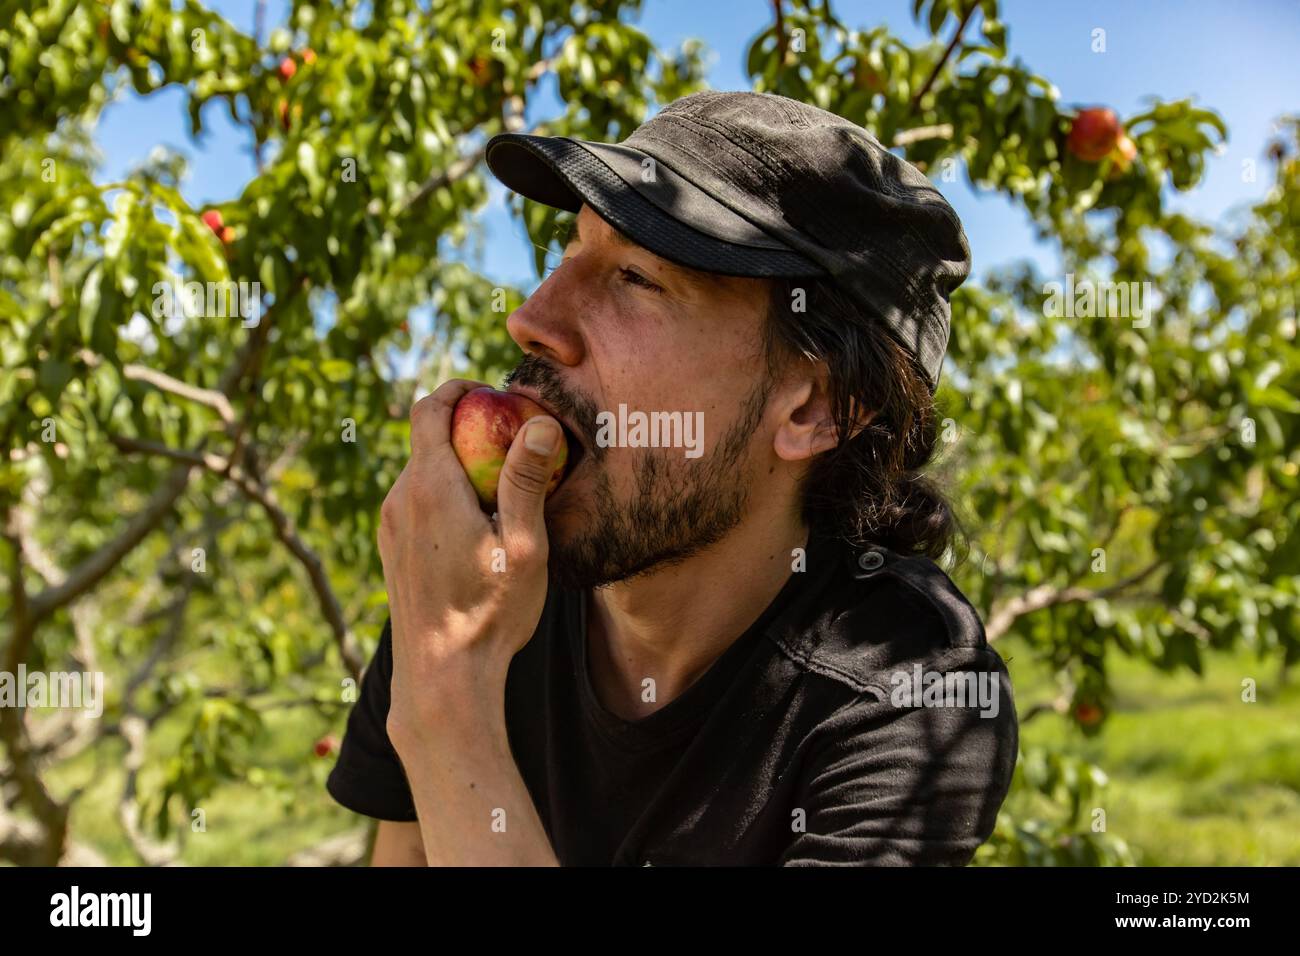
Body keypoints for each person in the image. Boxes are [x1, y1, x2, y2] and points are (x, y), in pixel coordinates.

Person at [326, 90, 1018, 866]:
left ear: (815, 408)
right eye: (569, 252)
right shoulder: (475, 579)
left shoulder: (907, 697)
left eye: (636, 278)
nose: (532, 319)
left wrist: (449, 693)